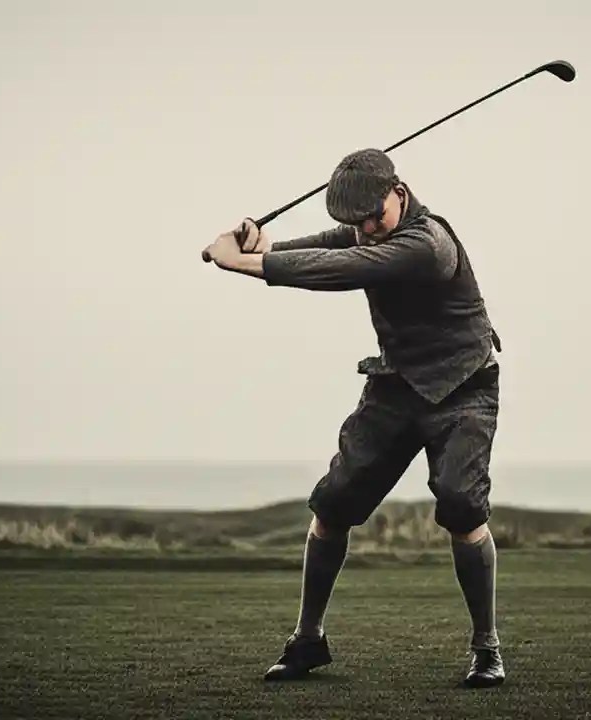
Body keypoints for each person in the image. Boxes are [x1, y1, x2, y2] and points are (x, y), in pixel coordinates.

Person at [200, 148, 505, 689]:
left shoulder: (425, 243)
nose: (366, 231)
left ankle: (487, 649)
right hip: (396, 386)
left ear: (400, 194)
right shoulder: (366, 232)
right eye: (355, 224)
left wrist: (246, 263)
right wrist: (261, 245)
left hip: (463, 389)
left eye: (374, 219)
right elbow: (321, 248)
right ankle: (308, 640)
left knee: (461, 504)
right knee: (333, 504)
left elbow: (343, 269)